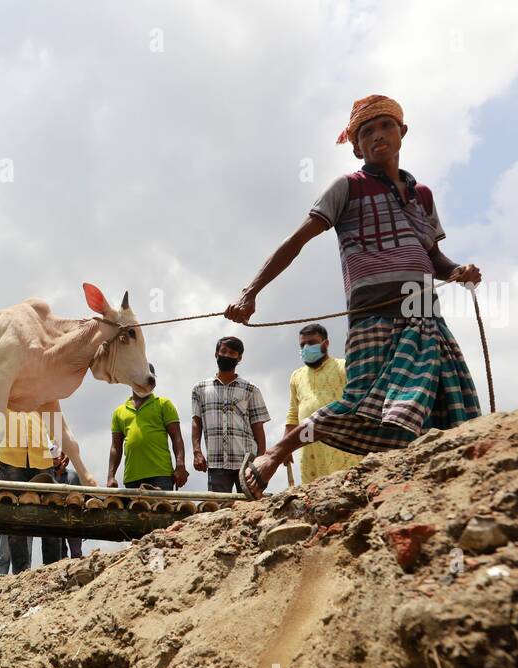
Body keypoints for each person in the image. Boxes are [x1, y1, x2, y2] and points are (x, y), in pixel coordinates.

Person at [224, 95, 482, 498]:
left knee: (445, 402)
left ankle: (424, 486)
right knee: (357, 403)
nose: (378, 135)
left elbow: (434, 258)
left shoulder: (423, 196)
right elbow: (297, 241)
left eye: (386, 126)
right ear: (356, 146)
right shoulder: (347, 188)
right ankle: (275, 454)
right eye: (367, 132)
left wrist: (458, 271)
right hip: (372, 318)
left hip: (425, 315)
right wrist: (250, 292)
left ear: (403, 133)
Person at [190, 336, 270, 493]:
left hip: (247, 463)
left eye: (232, 353)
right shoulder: (200, 389)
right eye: (223, 351)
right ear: (216, 354)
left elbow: (258, 425)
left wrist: (261, 458)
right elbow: (196, 422)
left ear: (239, 358)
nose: (226, 355)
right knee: (219, 509)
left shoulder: (250, 389)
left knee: (250, 506)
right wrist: (197, 452)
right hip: (217, 462)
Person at [284, 324, 363, 483]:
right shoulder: (296, 376)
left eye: (311, 343)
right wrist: (285, 447)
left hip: (341, 443)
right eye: (302, 345)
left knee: (347, 485)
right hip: (309, 446)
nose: (306, 348)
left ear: (325, 344)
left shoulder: (344, 366)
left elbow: (358, 401)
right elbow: (293, 414)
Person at [0, 410, 63, 573]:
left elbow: (52, 414)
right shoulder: (6, 389)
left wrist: (58, 448)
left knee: (50, 515)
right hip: (10, 456)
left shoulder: (41, 389)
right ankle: (21, 573)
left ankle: (52, 569)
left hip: (42, 456)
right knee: (15, 518)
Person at [108, 364, 188, 491]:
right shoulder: (119, 412)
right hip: (132, 477)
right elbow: (115, 447)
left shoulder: (163, 404)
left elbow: (176, 438)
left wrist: (180, 465)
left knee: (162, 510)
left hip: (161, 475)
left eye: (150, 380)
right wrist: (111, 476)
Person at [52, 452, 84, 559]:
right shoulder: (48, 476)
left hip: (73, 520)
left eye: (58, 457)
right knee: (60, 554)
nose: (56, 460)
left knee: (76, 553)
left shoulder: (73, 475)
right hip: (55, 520)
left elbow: (80, 497)